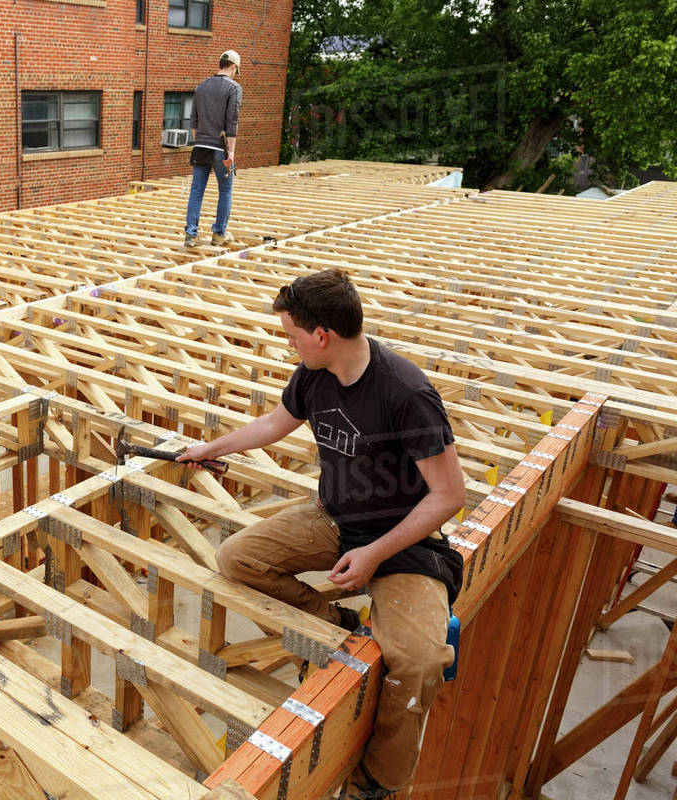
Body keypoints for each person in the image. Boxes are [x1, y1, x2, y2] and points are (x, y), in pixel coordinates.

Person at [178, 269, 466, 799]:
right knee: (237, 559)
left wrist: (375, 554)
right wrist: (209, 449)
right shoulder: (313, 375)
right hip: (333, 517)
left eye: (291, 335)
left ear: (322, 335)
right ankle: (340, 621)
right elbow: (273, 424)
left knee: (419, 664)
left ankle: (375, 781)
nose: (288, 344)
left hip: (401, 543)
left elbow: (449, 496)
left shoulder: (406, 394)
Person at [184, 49, 243, 249]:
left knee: (196, 191)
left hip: (200, 147)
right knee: (225, 191)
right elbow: (232, 122)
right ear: (233, 67)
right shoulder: (233, 88)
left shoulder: (201, 87)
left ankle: (191, 235)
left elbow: (193, 121)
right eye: (236, 70)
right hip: (220, 148)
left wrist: (199, 142)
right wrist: (231, 152)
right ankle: (219, 234)